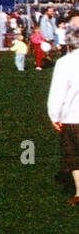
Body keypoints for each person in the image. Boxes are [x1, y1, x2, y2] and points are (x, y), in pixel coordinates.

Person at [47, 27, 79, 206]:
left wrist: (54, 115)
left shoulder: (64, 63)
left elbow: (58, 92)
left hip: (72, 117)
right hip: (72, 117)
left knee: (74, 156)